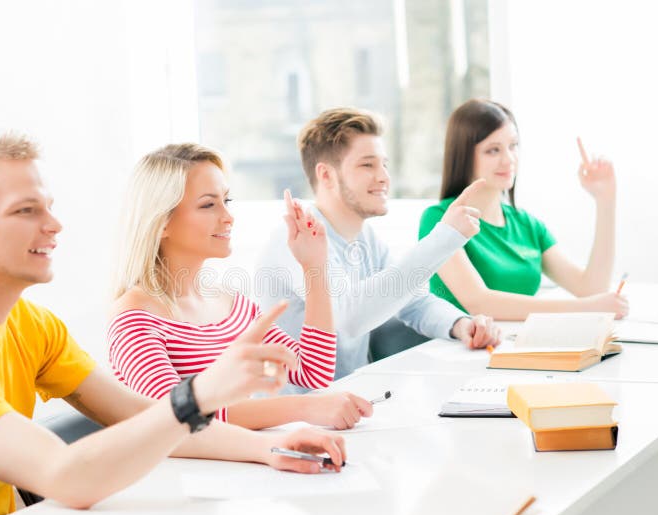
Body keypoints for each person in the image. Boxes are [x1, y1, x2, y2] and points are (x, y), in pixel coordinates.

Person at [0, 132, 346, 515]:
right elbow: (66, 477)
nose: (54, 225)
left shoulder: (31, 325)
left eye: (49, 207)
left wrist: (268, 447)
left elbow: (144, 416)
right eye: (26, 211)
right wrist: (202, 394)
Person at [109, 143, 373, 431]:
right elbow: (176, 420)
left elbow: (310, 372)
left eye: (227, 200)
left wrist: (314, 267)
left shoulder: (235, 308)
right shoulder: (133, 320)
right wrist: (304, 407)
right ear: (161, 222)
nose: (228, 216)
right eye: (208, 205)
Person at [255, 107, 501, 388]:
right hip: (296, 418)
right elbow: (348, 317)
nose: (384, 176)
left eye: (384, 164)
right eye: (368, 165)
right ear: (326, 175)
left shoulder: (365, 238)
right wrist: (444, 238)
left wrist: (460, 325)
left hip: (347, 401)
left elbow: (413, 301)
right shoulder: (295, 241)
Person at [418, 98, 629, 320]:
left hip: (517, 345)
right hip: (458, 350)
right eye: (493, 150)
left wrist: (606, 200)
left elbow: (591, 289)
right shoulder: (440, 220)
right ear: (463, 156)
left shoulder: (527, 225)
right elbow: (479, 303)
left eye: (513, 145)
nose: (509, 159)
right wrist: (586, 308)